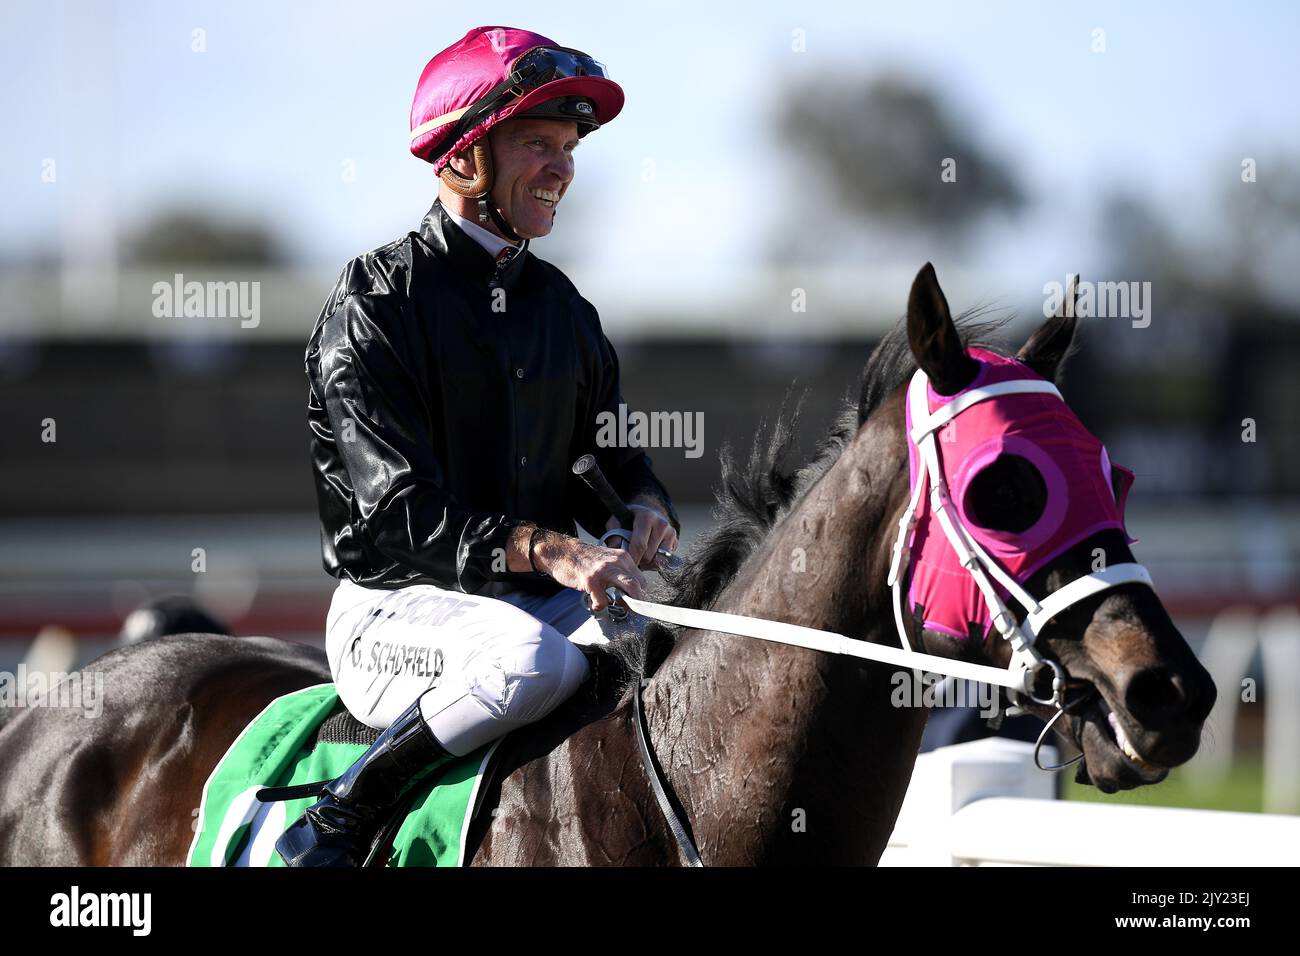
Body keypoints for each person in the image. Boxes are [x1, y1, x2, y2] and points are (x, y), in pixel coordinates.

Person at [277, 26, 680, 866]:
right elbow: (394, 513)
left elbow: (610, 454)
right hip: (394, 606)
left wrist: (643, 502)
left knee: (680, 642)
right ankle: (343, 816)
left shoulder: (563, 309)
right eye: (538, 143)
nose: (564, 166)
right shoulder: (375, 302)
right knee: (530, 662)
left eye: (569, 147)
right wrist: (552, 550)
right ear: (464, 157)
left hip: (532, 598)